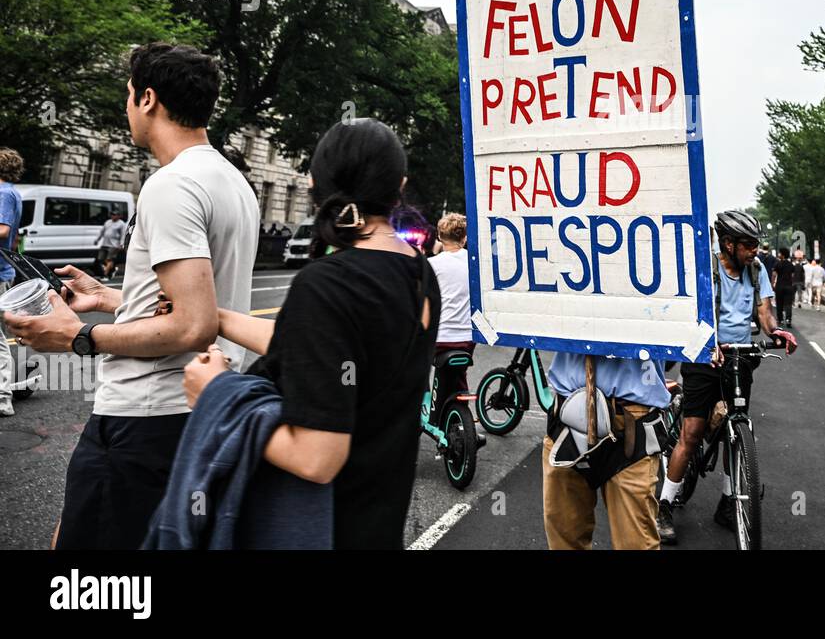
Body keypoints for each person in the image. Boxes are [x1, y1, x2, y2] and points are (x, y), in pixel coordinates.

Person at [4, 44, 258, 549]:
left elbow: (191, 325)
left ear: (147, 98)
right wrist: (108, 297)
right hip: (195, 409)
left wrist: (77, 338)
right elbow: (196, 301)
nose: (126, 107)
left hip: (143, 417)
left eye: (127, 94)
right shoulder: (232, 180)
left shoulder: (172, 185)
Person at [188, 117, 437, 549]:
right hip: (378, 526)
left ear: (314, 184)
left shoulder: (328, 282)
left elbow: (318, 457)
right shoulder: (417, 271)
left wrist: (216, 394)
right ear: (399, 185)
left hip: (314, 529)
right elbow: (320, 353)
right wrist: (217, 317)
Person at [658, 211, 796, 545]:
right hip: (705, 356)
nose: (754, 250)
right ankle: (663, 505)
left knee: (732, 428)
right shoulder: (708, 268)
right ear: (728, 243)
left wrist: (776, 330)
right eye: (748, 244)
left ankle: (727, 501)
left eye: (756, 244)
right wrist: (708, 343)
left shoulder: (756, 269)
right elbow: (696, 310)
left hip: (740, 356)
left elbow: (764, 312)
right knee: (691, 434)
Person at [429, 213, 473, 431]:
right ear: (465, 238)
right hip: (468, 338)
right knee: (458, 373)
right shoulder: (475, 263)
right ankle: (460, 412)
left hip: (440, 338)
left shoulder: (432, 265)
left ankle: (430, 413)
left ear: (439, 236)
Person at [0, 147, 24, 418]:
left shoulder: (4, 193)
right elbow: (14, 238)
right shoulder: (12, 193)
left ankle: (3, 398)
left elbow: (4, 230)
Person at [93, 211, 128, 280]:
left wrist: (121, 244)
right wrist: (97, 240)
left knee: (109, 259)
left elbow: (123, 235)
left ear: (118, 216)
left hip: (114, 245)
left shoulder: (121, 224)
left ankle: (105, 275)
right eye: (112, 214)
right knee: (100, 259)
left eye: (115, 215)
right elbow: (102, 232)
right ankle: (112, 269)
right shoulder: (108, 222)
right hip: (105, 243)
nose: (113, 216)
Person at [772, 247, 797, 329]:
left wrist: (772, 284)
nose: (778, 255)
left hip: (779, 286)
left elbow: (774, 275)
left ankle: (780, 320)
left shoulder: (778, 264)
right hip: (789, 287)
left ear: (782, 255)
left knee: (779, 303)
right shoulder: (791, 265)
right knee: (788, 304)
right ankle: (788, 320)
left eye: (779, 253)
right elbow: (793, 276)